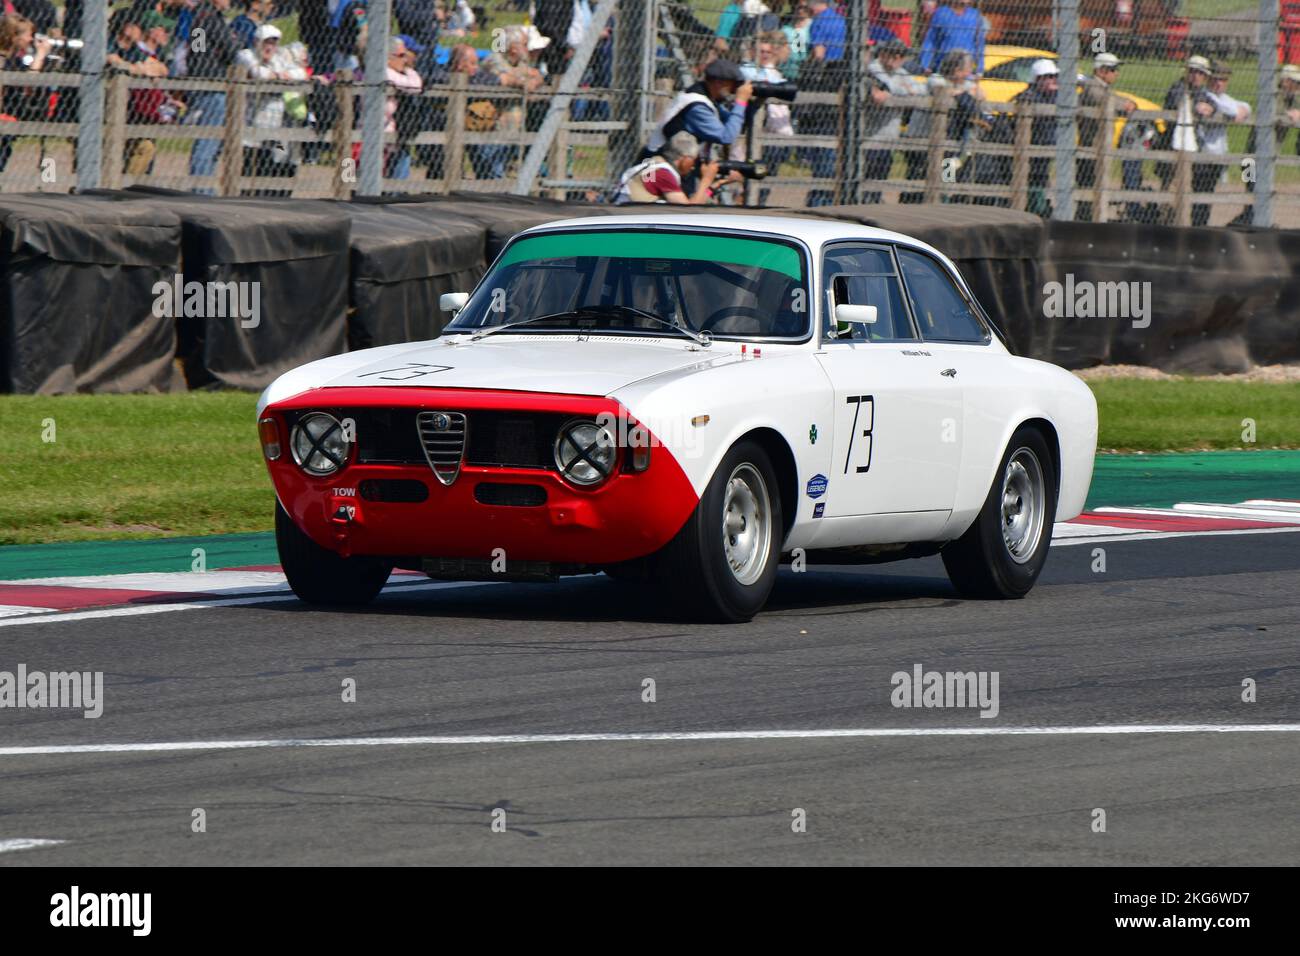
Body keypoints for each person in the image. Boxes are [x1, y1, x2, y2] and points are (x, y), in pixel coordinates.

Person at [235, 22, 307, 195]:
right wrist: (279, 77)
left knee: (271, 162)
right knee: (250, 163)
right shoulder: (246, 54)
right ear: (257, 42)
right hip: (252, 119)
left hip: (274, 121)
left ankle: (266, 196)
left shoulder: (279, 58)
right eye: (266, 42)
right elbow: (259, 73)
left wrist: (282, 76)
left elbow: (302, 74)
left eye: (273, 43)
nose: (270, 47)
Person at [642, 58, 752, 160]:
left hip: (675, 161)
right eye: (733, 85)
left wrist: (753, 104)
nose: (735, 90)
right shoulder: (697, 105)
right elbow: (726, 137)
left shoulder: (707, 99)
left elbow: (737, 125)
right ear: (719, 83)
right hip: (657, 165)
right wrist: (740, 101)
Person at [184, 0, 240, 193]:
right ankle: (202, 189)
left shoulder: (200, 17)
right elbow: (232, 51)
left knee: (210, 140)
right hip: (213, 84)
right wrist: (234, 41)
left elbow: (198, 52)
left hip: (202, 79)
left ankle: (204, 187)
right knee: (209, 141)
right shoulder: (212, 19)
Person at [1075, 51, 1137, 222]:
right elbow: (1104, 100)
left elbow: (1114, 99)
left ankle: (1091, 217)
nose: (1116, 73)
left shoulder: (1103, 87)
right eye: (1113, 69)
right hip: (1091, 148)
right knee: (1089, 187)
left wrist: (1128, 103)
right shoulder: (1092, 86)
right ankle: (1086, 219)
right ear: (1101, 71)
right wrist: (1124, 104)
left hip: (1099, 147)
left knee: (1096, 186)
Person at [1157, 54, 1216, 227]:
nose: (1197, 76)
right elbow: (1177, 102)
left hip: (1191, 151)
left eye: (1201, 74)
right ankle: (1166, 224)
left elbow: (1214, 103)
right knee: (1171, 190)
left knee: (1185, 190)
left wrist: (1210, 107)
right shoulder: (1178, 87)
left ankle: (1179, 224)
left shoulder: (1201, 92)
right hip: (1172, 148)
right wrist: (1197, 105)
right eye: (1193, 72)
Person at [861, 38, 916, 203]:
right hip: (870, 136)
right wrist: (902, 91)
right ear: (884, 54)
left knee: (881, 174)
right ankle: (862, 203)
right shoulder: (873, 69)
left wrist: (892, 94)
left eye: (901, 56)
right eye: (894, 55)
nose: (898, 60)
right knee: (867, 175)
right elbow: (881, 90)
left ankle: (874, 201)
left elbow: (917, 90)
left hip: (889, 137)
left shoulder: (901, 72)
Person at [0, 13, 49, 174]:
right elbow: (28, 81)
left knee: (5, 152)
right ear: (14, 36)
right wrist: (40, 55)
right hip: (3, 116)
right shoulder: (2, 58)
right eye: (28, 35)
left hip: (10, 114)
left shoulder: (13, 58)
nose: (30, 39)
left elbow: (27, 84)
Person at [613, 131, 719, 204]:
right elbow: (689, 211)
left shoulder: (656, 167)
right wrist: (707, 179)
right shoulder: (662, 174)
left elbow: (693, 204)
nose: (693, 167)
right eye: (693, 161)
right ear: (685, 159)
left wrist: (713, 186)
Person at [1011, 57, 1058, 217]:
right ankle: (1033, 209)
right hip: (1031, 148)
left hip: (1047, 147)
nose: (1053, 80)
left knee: (1042, 178)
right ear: (1038, 79)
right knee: (1032, 178)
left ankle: (1039, 207)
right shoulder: (1029, 96)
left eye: (1054, 76)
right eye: (1048, 76)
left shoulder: (1055, 96)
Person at [382, 35, 423, 181]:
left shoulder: (396, 73)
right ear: (387, 57)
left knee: (403, 150)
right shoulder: (384, 72)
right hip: (377, 134)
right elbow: (415, 86)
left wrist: (407, 69)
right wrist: (409, 71)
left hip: (391, 134)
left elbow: (416, 85)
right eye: (401, 56)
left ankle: (395, 193)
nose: (405, 60)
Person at [919, 0, 985, 76]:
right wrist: (925, 64)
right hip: (944, 67)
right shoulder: (941, 13)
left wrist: (980, 68)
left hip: (966, 69)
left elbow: (980, 43)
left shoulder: (975, 15)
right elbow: (931, 40)